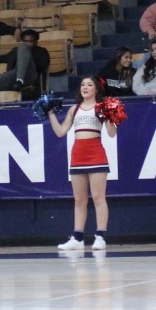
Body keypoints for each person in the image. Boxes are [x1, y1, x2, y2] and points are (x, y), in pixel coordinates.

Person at [48, 75, 113, 252]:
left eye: (89, 84)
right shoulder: (74, 110)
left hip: (96, 153)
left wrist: (113, 117)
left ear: (96, 89)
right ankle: (77, 238)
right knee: (79, 199)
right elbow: (61, 132)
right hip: (78, 155)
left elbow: (112, 133)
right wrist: (50, 114)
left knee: (99, 197)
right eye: (83, 84)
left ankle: (100, 236)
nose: (85, 87)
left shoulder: (102, 108)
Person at [0, 27, 51, 101]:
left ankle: (19, 80)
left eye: (31, 41)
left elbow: (43, 66)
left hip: (30, 75)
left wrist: (28, 58)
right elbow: (2, 58)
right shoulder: (16, 50)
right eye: (25, 41)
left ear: (36, 41)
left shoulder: (41, 51)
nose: (28, 44)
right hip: (14, 75)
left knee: (23, 49)